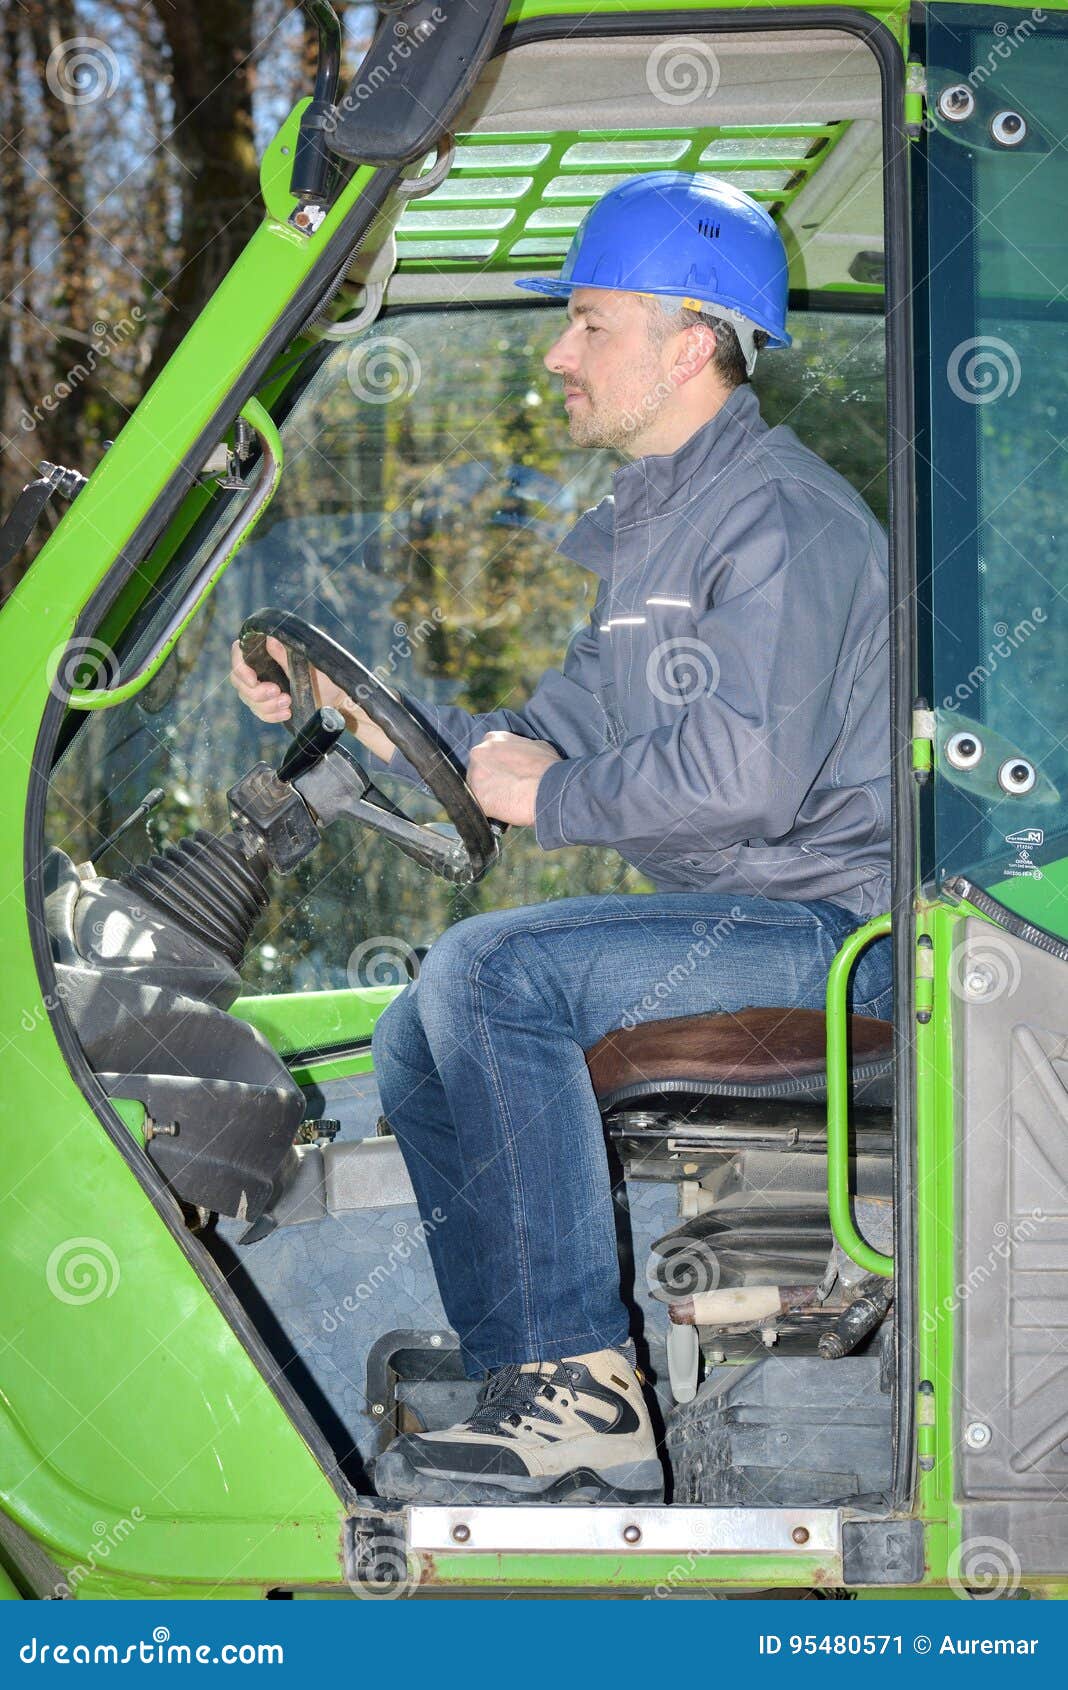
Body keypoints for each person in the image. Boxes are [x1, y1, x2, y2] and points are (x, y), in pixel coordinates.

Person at [230, 171, 892, 1506]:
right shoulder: (666, 521)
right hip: (742, 921)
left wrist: (556, 796)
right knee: (425, 1017)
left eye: (589, 322)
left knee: (492, 972)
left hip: (836, 938)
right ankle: (523, 1375)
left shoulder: (776, 516)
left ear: (687, 339)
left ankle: (583, 1390)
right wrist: (363, 718)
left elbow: (747, 779)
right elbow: (536, 737)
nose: (557, 352)